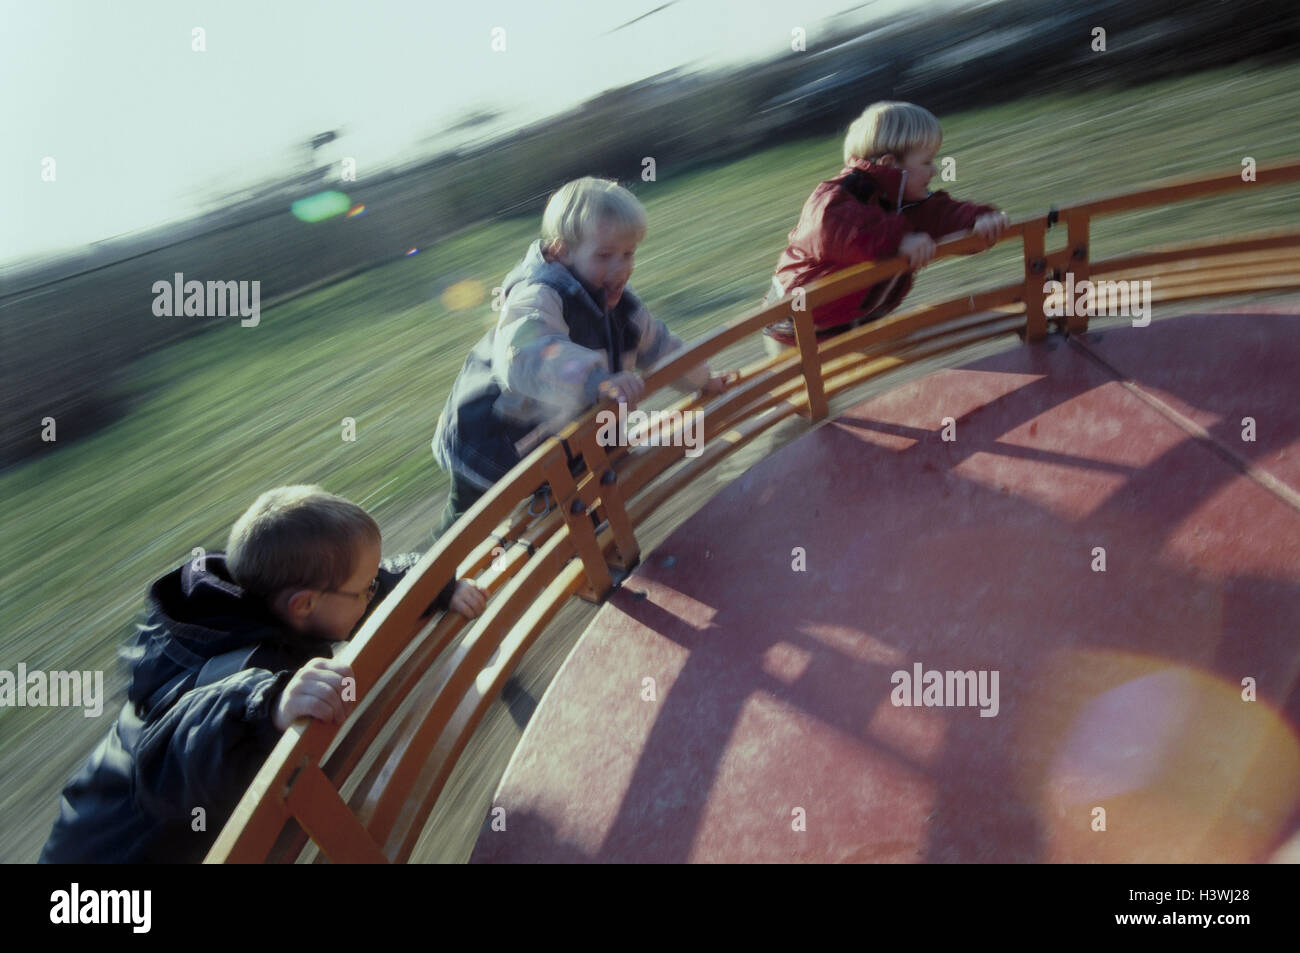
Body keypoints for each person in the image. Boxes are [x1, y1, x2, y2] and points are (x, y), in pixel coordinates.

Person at [39, 485, 487, 863]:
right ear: (304, 604)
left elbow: (367, 587)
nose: (372, 591)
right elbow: (171, 751)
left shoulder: (259, 594)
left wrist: (434, 587)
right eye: (365, 588)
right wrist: (265, 704)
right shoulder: (223, 664)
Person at [431, 176, 735, 538]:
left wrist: (703, 378)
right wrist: (596, 380)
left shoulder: (620, 303)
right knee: (464, 527)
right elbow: (525, 353)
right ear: (562, 252)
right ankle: (424, 585)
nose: (621, 268)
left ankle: (591, 554)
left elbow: (658, 346)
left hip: (556, 441)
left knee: (582, 491)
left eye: (629, 253)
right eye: (605, 255)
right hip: (490, 438)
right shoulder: (539, 294)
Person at [762, 101, 1009, 355]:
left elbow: (944, 214)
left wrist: (980, 219)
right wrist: (898, 240)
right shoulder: (839, 195)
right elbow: (829, 229)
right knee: (807, 394)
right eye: (927, 162)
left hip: (851, 324)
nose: (935, 170)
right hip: (794, 329)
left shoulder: (908, 203)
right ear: (891, 164)